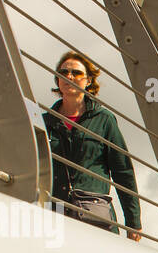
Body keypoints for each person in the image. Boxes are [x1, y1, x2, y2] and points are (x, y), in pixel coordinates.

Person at [42, 50, 142, 240]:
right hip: (55, 213)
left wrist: (133, 222)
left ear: (88, 80)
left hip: (94, 215)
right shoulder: (45, 120)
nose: (69, 76)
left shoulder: (104, 120)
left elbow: (123, 171)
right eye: (63, 73)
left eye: (76, 73)